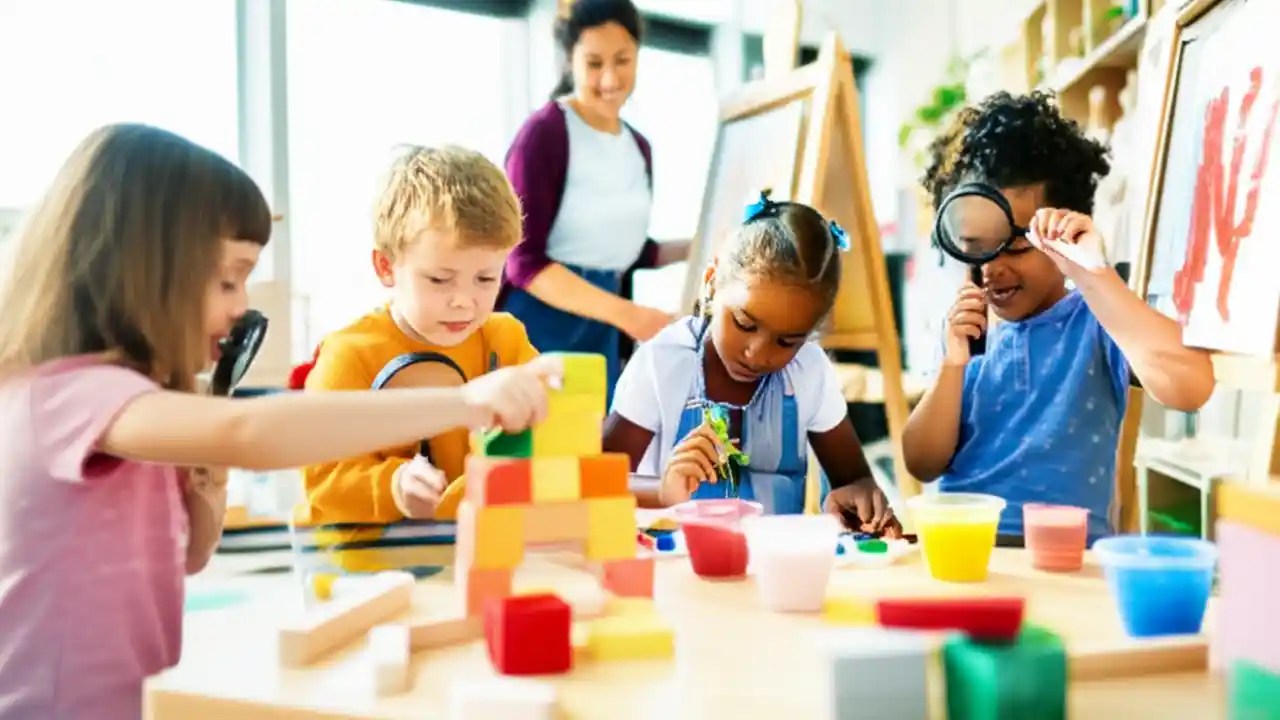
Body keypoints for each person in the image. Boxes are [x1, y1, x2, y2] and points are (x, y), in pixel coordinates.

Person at [0, 124, 561, 720]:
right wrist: (464, 402)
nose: (242, 305)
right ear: (141, 273)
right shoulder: (62, 396)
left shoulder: (138, 411)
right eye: (226, 280)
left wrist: (205, 476)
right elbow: (253, 433)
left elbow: (190, 552)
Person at [902, 90, 1215, 542]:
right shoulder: (966, 327)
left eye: (1017, 244)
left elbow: (1192, 387)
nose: (993, 266)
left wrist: (1093, 275)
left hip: (1066, 554)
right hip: (964, 548)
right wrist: (952, 368)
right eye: (976, 247)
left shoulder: (1093, 318)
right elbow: (922, 462)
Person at [602, 192, 900, 535]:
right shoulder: (663, 363)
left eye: (787, 341)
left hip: (774, 572)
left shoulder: (809, 371)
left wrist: (858, 497)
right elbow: (598, 484)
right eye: (744, 323)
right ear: (712, 282)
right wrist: (663, 491)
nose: (757, 353)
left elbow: (854, 479)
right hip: (677, 571)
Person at [301, 145, 539, 525]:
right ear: (386, 267)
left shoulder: (505, 340)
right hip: (367, 567)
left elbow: (548, 432)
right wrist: (393, 486)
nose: (464, 301)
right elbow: (324, 479)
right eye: (440, 279)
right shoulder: (351, 354)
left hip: (474, 546)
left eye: (486, 278)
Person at [501, 0, 688, 401]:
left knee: (592, 454)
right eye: (594, 63)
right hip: (538, 324)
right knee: (536, 455)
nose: (609, 78)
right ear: (570, 61)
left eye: (623, 60)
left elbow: (623, 251)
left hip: (601, 332)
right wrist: (631, 316)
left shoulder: (639, 147)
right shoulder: (545, 134)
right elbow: (522, 260)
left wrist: (700, 246)